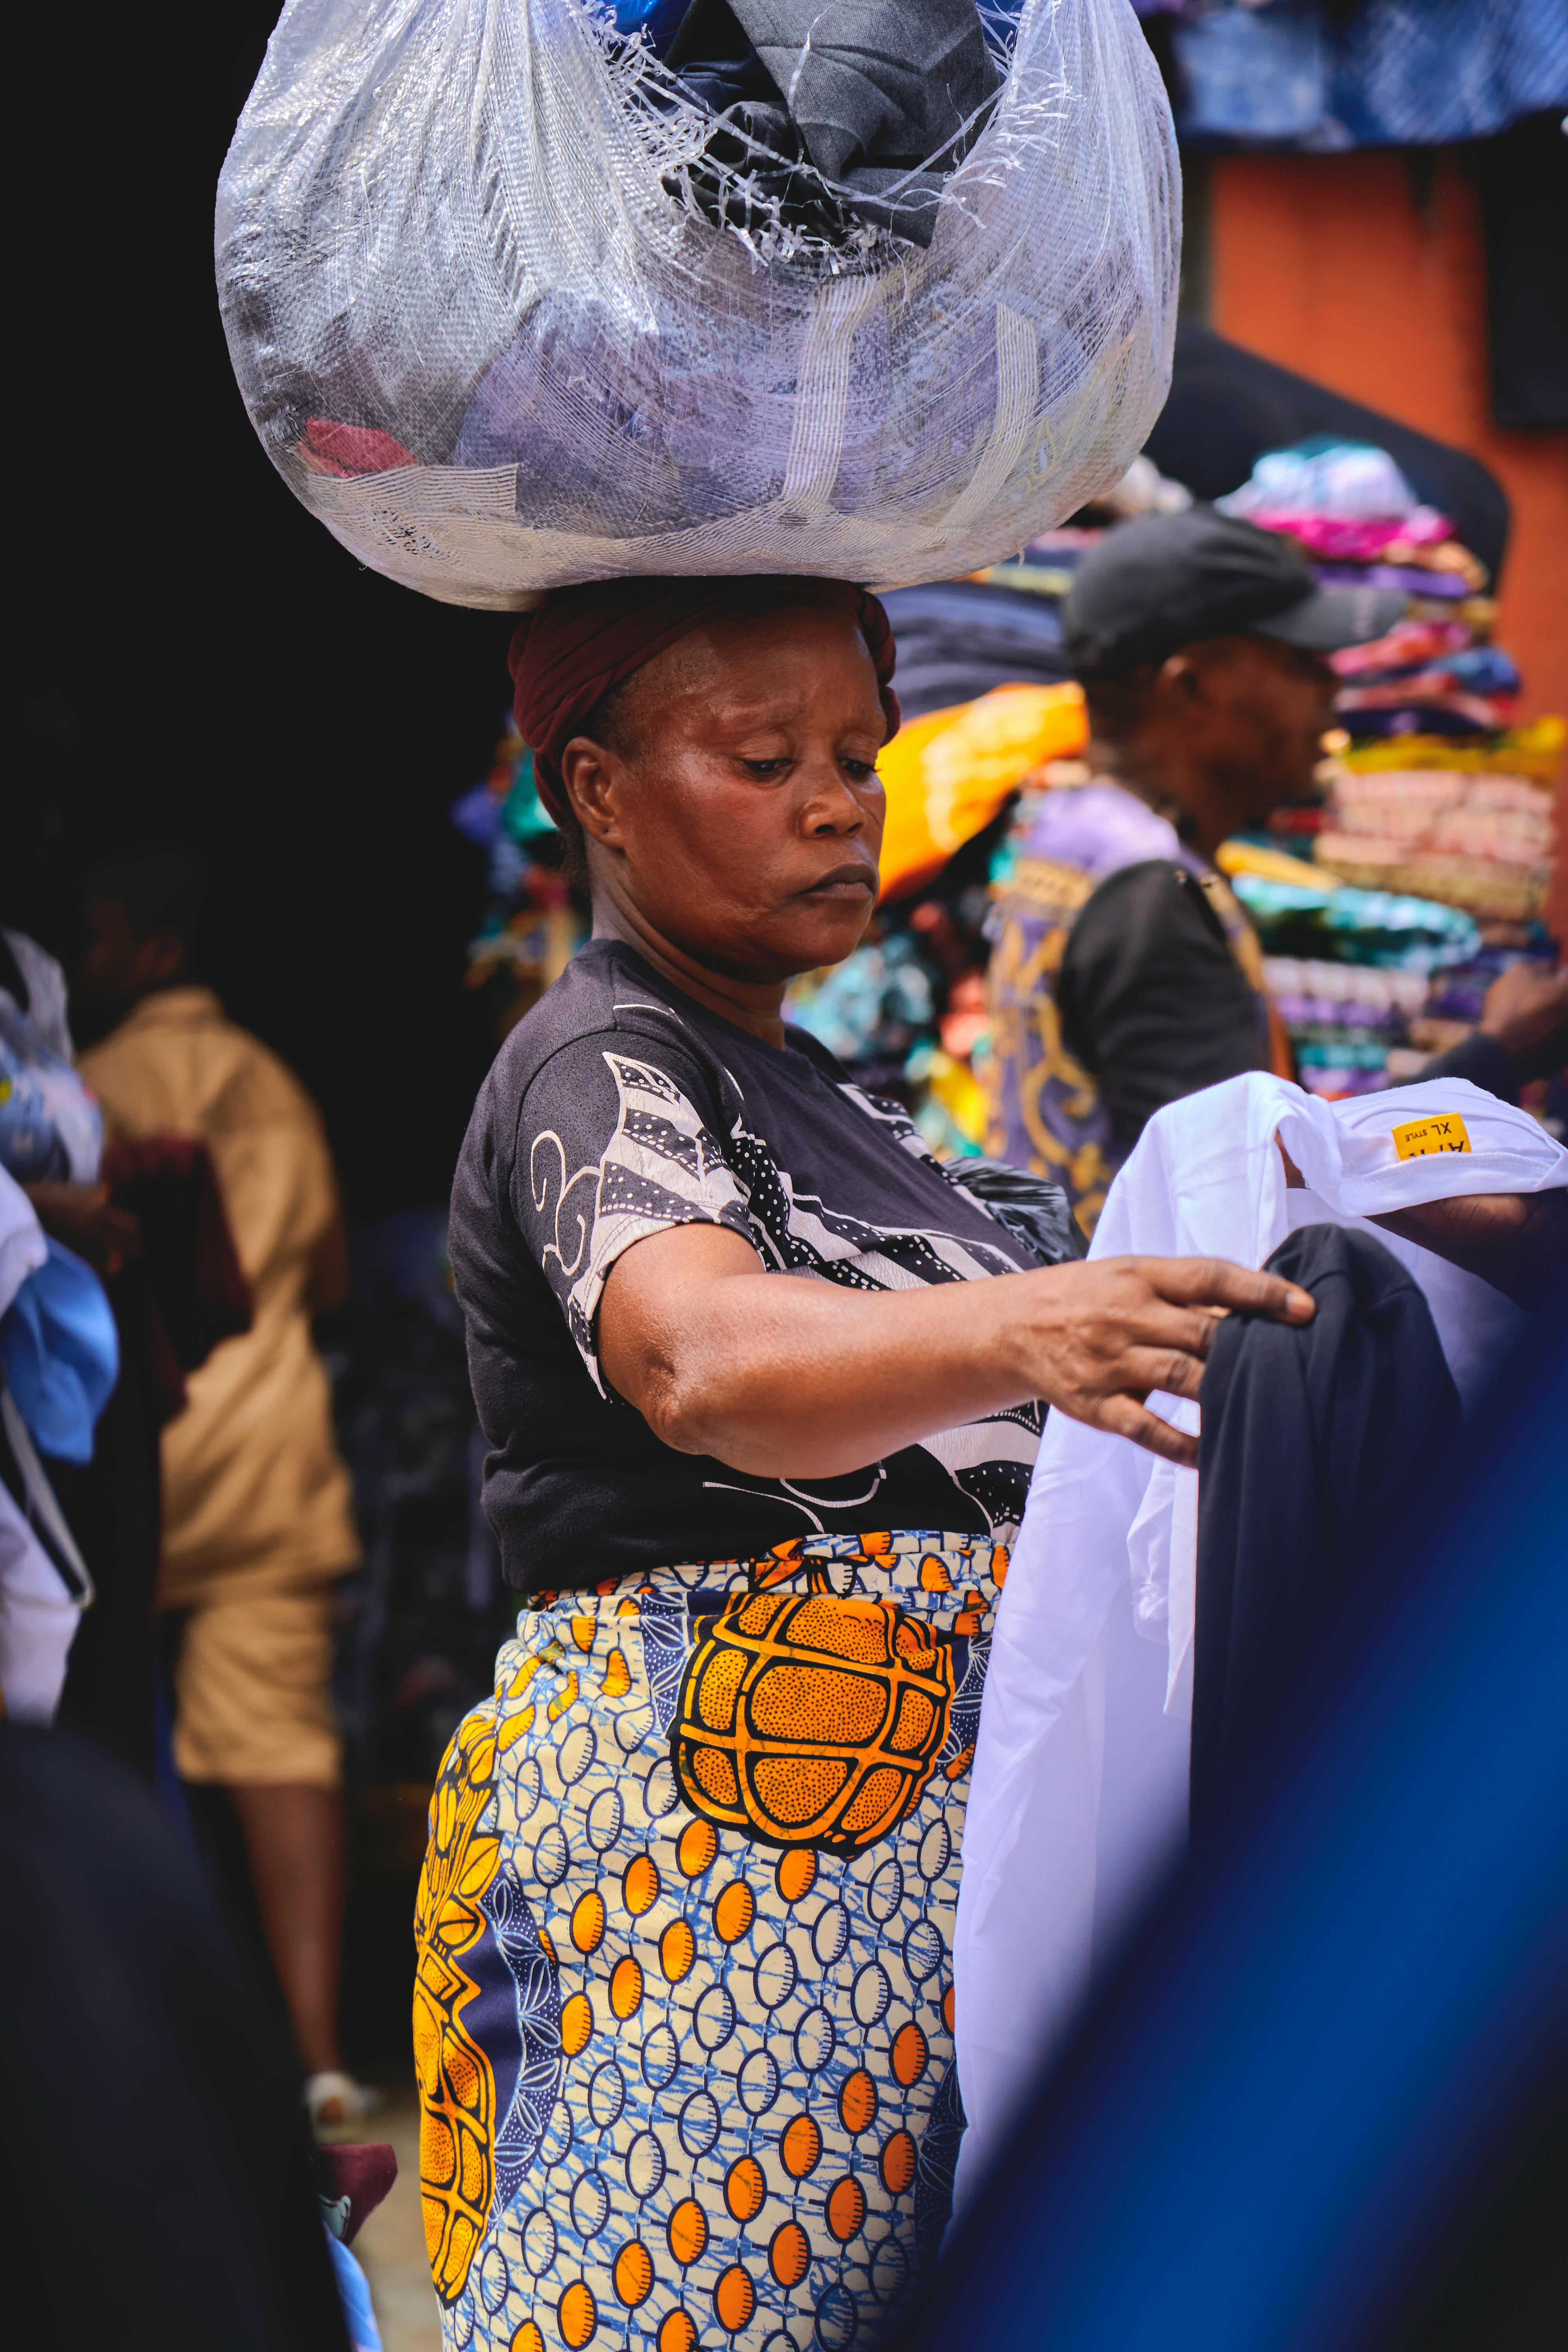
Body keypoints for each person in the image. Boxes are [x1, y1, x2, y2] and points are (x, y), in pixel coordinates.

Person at [425, 575, 1313, 2350]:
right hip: (699, 1910)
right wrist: (1025, 1328)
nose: (839, 800)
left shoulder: (838, 1098)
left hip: (896, 1913)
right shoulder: (603, 1058)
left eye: (857, 753)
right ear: (594, 790)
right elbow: (697, 1354)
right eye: (765, 759)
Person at [982, 507, 1567, 1233]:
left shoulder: (1071, 837)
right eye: (1301, 661)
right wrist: (1499, 1054)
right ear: (1192, 690)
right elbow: (1265, 1192)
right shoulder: (1151, 898)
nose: (1333, 685)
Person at [73, 842, 367, 2133]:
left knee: (95, 1752)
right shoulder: (275, 1086)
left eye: (92, 938)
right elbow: (331, 1274)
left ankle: (130, 2058)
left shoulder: (78, 1093)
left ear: (148, 949)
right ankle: (314, 2056)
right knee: (278, 1750)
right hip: (270, 1448)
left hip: (128, 1458)